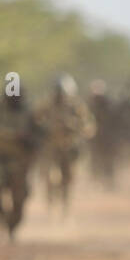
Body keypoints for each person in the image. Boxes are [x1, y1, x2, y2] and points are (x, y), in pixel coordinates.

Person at [0, 82, 42, 240]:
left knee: (19, 198)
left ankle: (12, 226)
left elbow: (38, 138)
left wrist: (27, 141)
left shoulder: (29, 113)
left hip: (20, 162)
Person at [34, 73, 95, 212]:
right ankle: (50, 204)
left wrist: (74, 126)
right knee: (50, 177)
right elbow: (35, 121)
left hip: (70, 149)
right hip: (51, 148)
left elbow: (89, 127)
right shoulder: (47, 105)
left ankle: (65, 207)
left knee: (68, 180)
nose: (60, 96)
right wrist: (45, 128)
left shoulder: (77, 107)